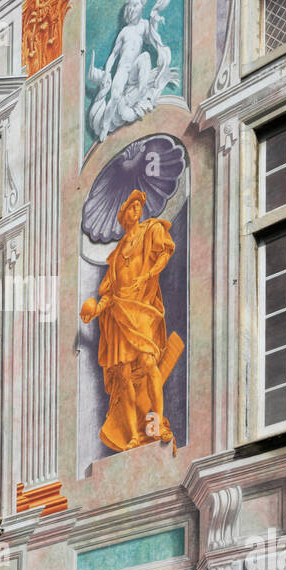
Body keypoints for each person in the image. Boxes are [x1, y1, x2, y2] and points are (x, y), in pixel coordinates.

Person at [80, 189, 178, 451]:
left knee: (148, 362)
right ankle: (134, 435)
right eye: (131, 207)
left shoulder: (151, 230)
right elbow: (109, 294)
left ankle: (155, 425)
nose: (136, 210)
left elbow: (165, 253)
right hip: (119, 315)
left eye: (138, 206)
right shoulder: (116, 255)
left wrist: (148, 276)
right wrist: (94, 310)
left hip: (141, 309)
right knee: (124, 375)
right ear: (123, 216)